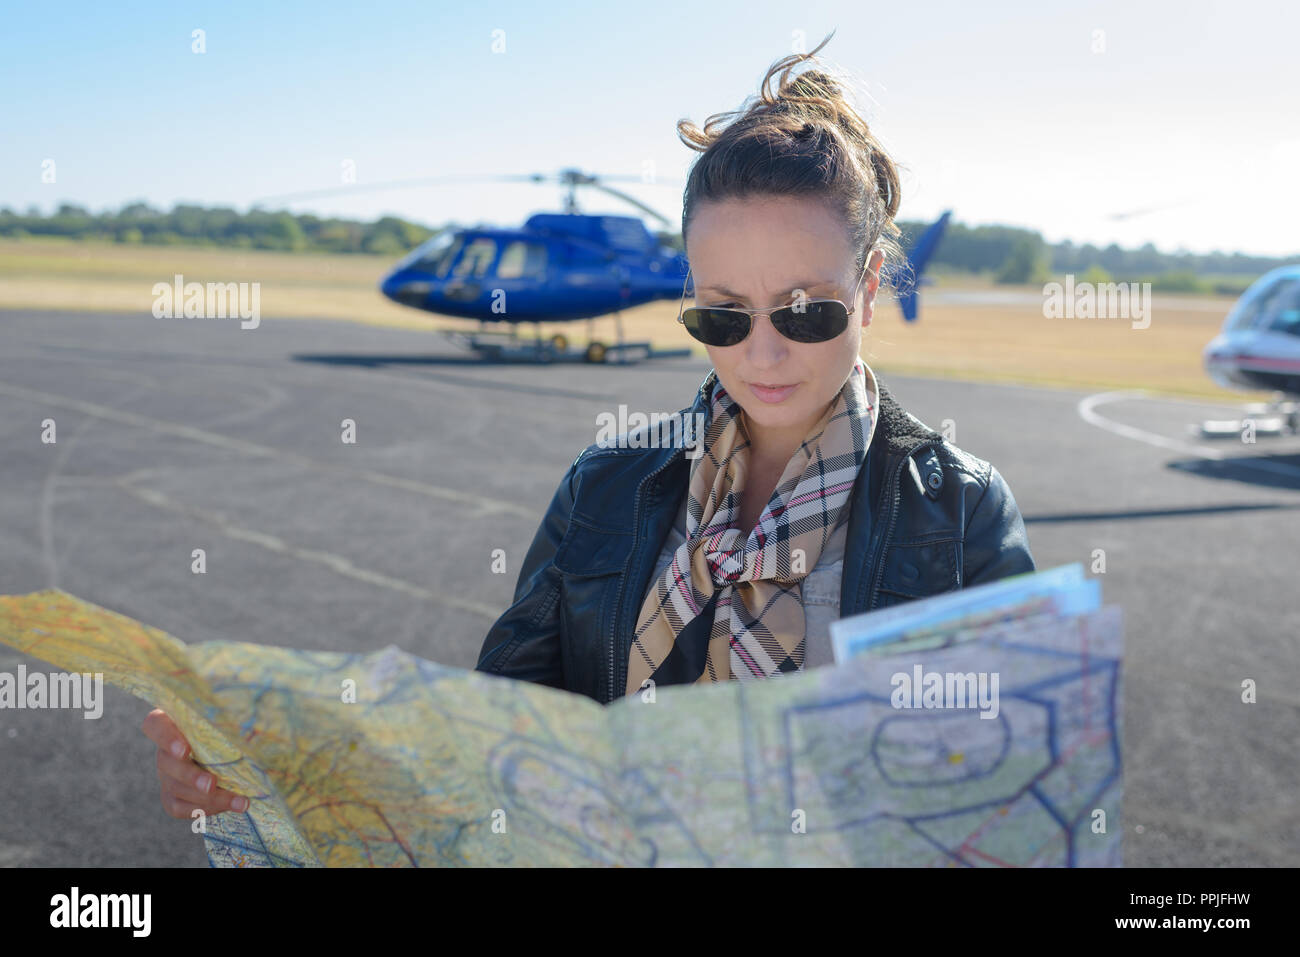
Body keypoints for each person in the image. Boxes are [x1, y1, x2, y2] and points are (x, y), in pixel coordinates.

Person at [143, 34, 1034, 820]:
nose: (762, 355)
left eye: (806, 313)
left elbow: (1007, 789)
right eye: (722, 316)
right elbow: (496, 740)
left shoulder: (959, 512)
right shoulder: (605, 486)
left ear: (871, 287)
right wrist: (277, 770)